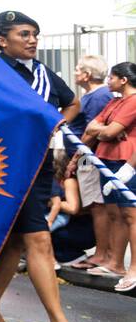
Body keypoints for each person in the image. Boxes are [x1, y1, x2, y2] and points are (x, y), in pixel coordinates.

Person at [0, 10, 88, 322]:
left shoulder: (41, 73)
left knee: (16, 241)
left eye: (35, 34)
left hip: (38, 168)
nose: (32, 40)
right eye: (24, 34)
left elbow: (72, 104)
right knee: (38, 238)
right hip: (6, 169)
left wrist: (53, 124)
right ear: (2, 41)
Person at [80, 61, 136, 292]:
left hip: (126, 162)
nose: (107, 81)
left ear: (123, 80)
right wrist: (105, 130)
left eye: (111, 77)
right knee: (114, 213)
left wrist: (106, 130)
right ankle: (115, 263)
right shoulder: (115, 100)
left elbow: (109, 130)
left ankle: (132, 268)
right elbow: (94, 126)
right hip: (107, 159)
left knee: (130, 215)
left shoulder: (133, 101)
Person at [65, 55, 119, 272]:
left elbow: (92, 132)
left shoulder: (98, 97)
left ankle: (101, 255)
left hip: (90, 158)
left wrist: (77, 157)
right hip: (87, 157)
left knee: (98, 208)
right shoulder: (91, 96)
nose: (75, 73)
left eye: (78, 70)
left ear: (86, 75)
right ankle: (101, 253)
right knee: (95, 207)